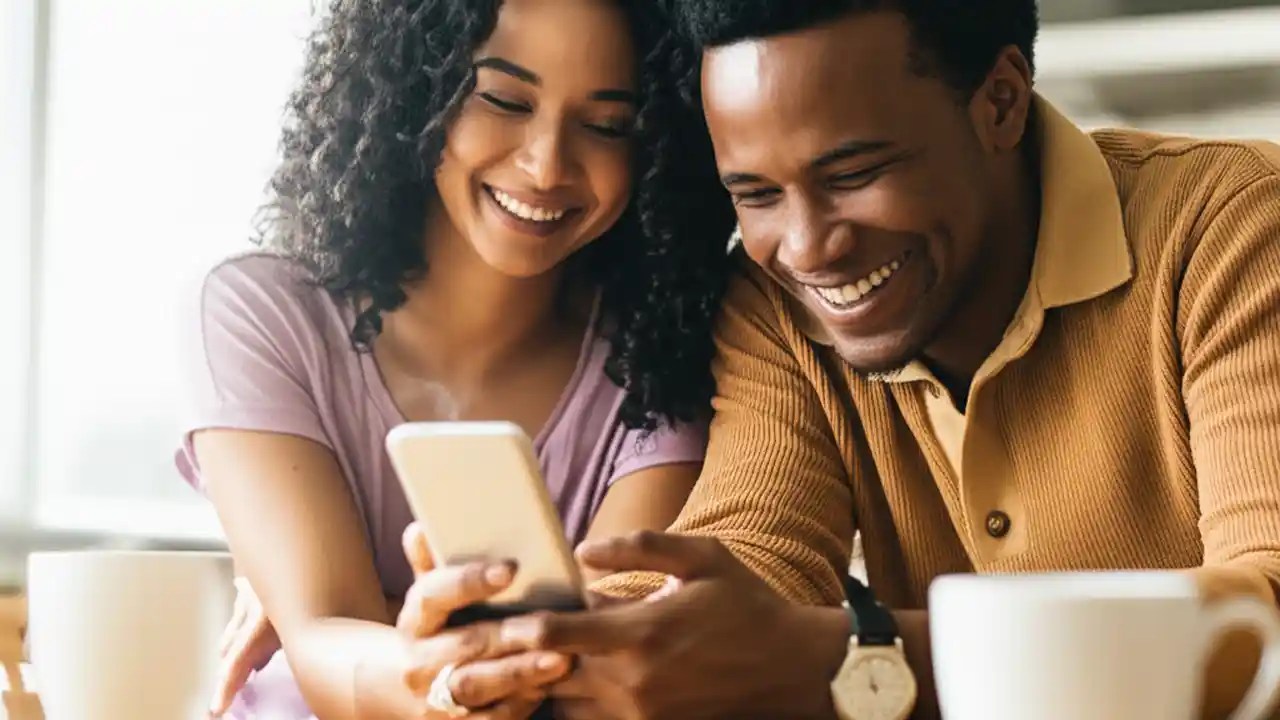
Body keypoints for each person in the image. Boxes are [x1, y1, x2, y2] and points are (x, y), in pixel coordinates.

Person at [455, 1, 1280, 718]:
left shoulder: (1235, 229)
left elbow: (1268, 603)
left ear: (999, 103)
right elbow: (753, 553)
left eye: (853, 173)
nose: (808, 249)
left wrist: (852, 654)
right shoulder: (776, 309)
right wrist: (547, 649)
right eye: (756, 195)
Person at [174, 0, 731, 717]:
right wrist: (446, 682)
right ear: (416, 88)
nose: (546, 165)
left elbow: (598, 664)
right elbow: (321, 639)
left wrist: (399, 631)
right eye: (504, 100)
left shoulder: (662, 360)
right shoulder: (259, 314)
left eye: (606, 126)